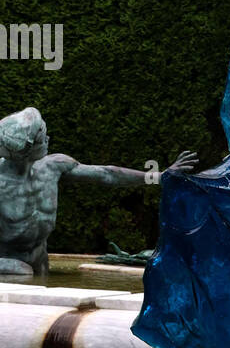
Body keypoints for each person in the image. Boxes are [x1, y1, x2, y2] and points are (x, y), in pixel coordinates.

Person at [0, 106, 197, 276]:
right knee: (21, 274)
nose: (48, 139)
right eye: (43, 139)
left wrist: (159, 177)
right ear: (26, 150)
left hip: (38, 258)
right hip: (9, 262)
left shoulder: (52, 166)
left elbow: (107, 174)